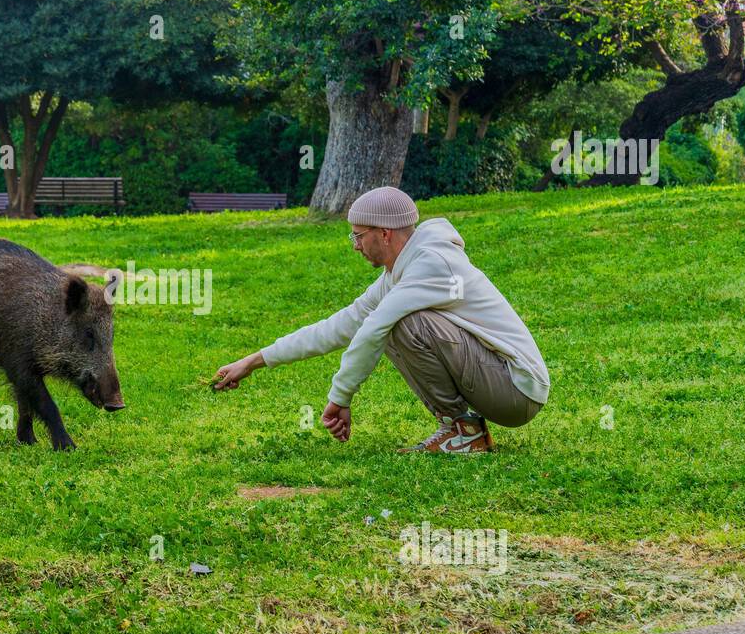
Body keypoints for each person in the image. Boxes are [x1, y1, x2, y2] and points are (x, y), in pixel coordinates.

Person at [214, 186, 548, 454]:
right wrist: (254, 361)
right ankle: (460, 429)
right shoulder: (400, 270)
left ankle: (464, 433)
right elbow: (342, 324)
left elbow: (373, 328)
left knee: (400, 323)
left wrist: (339, 398)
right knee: (390, 319)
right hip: (499, 382)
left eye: (358, 236)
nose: (355, 246)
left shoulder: (431, 263)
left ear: (384, 234)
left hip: (516, 392)